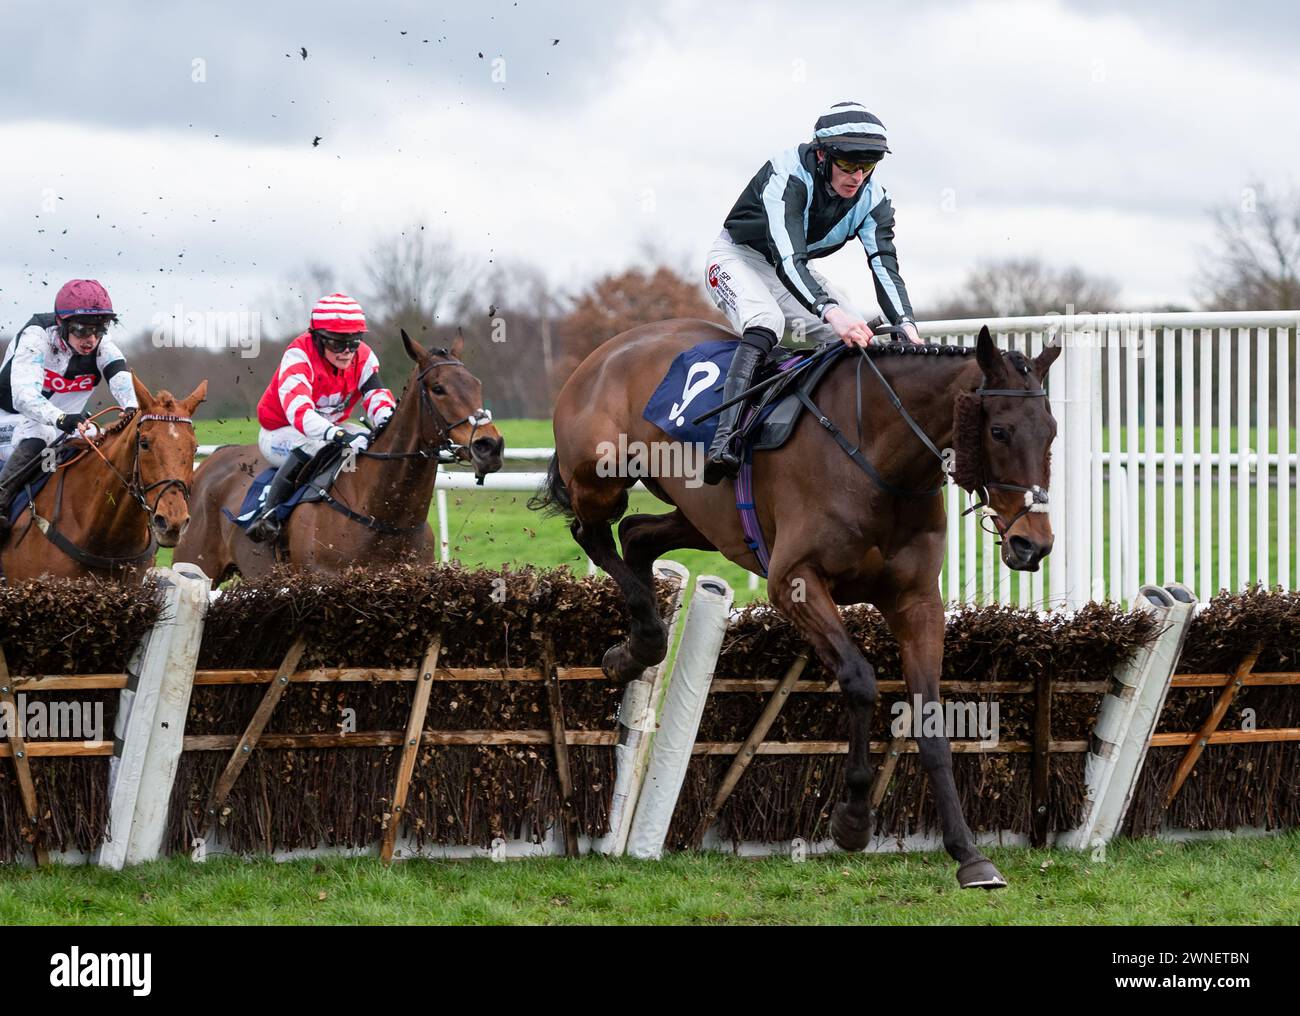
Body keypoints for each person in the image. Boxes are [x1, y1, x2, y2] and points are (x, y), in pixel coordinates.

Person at [702, 101, 923, 483]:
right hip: (738, 258)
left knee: (860, 337)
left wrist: (909, 328)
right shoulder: (786, 175)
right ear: (822, 155)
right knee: (768, 320)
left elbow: (884, 266)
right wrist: (830, 312)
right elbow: (790, 260)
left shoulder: (875, 200)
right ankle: (725, 439)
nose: (858, 177)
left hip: (788, 270)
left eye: (867, 166)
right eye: (849, 165)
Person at [244, 292, 396, 543]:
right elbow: (300, 413)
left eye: (354, 342)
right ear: (318, 338)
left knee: (368, 440)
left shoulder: (365, 357)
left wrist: (388, 423)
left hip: (330, 427)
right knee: (318, 446)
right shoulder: (298, 355)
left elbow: (377, 397)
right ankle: (268, 515)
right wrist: (337, 435)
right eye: (338, 343)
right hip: (282, 431)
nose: (347, 351)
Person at [0, 279, 138, 536]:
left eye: (99, 330)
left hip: (65, 427)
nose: (91, 339)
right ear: (62, 324)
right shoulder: (36, 336)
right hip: (11, 421)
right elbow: (24, 397)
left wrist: (133, 409)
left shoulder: (102, 348)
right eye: (82, 330)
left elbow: (123, 383)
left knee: (103, 440)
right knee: (43, 432)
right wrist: (61, 417)